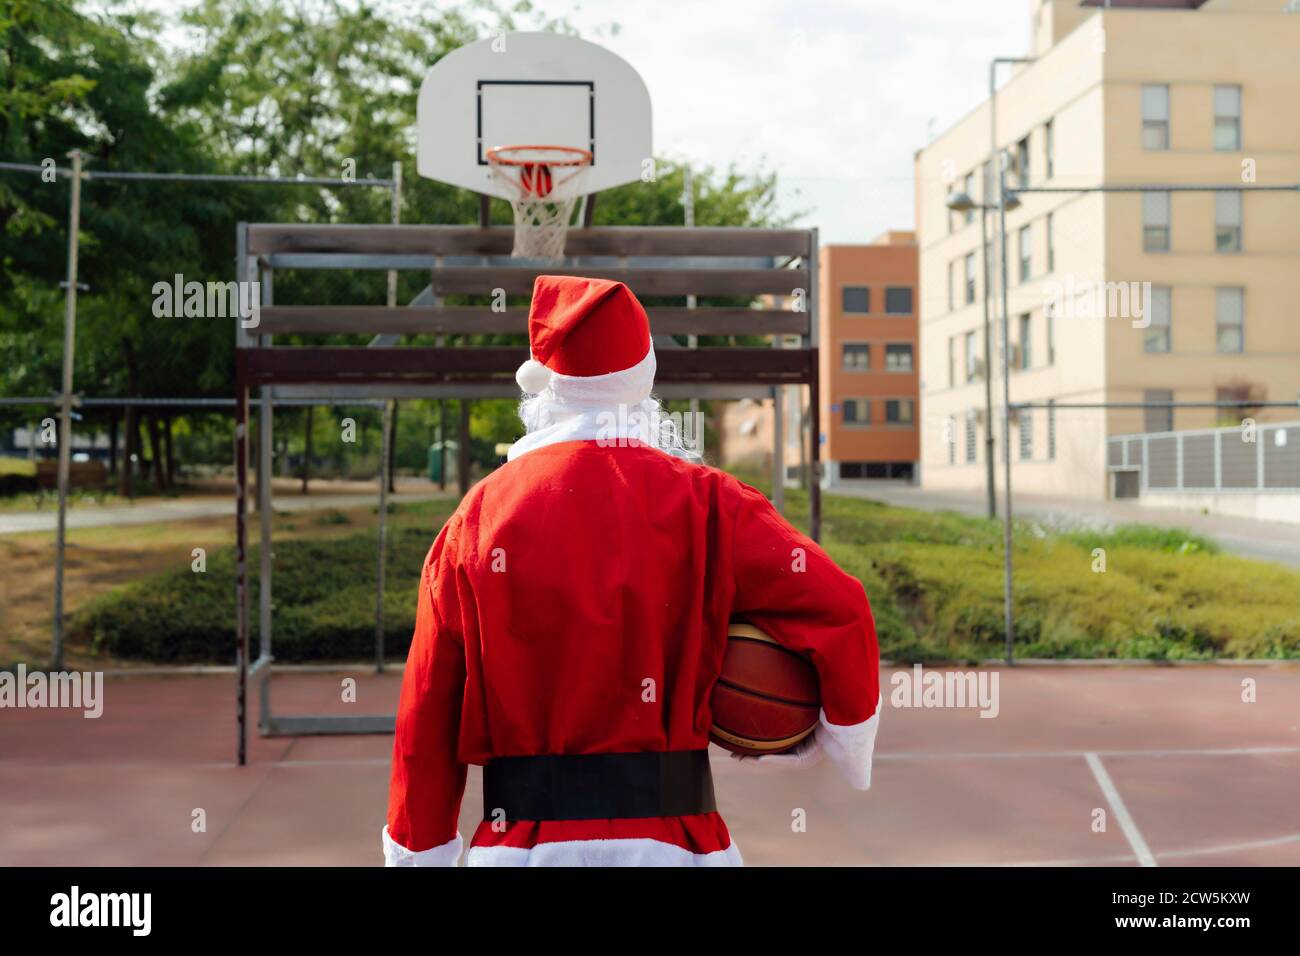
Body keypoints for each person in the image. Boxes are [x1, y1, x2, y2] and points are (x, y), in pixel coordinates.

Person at [383, 274, 880, 866]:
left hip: (522, 848)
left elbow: (427, 711)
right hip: (677, 845)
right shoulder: (710, 501)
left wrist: (419, 852)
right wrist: (843, 739)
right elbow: (839, 604)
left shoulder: (477, 519)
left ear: (543, 389)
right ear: (644, 381)